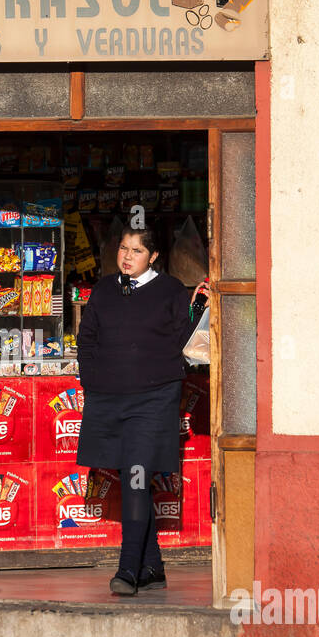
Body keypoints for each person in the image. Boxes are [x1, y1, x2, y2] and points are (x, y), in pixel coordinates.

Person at [77, 226, 207, 595]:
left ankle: (128, 569)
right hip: (109, 398)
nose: (127, 256)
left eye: (136, 250)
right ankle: (153, 567)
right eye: (123, 248)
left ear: (153, 257)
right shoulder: (104, 289)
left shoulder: (169, 290)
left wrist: (202, 306)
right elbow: (87, 339)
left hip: (153, 400)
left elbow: (188, 343)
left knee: (136, 477)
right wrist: (92, 380)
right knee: (131, 479)